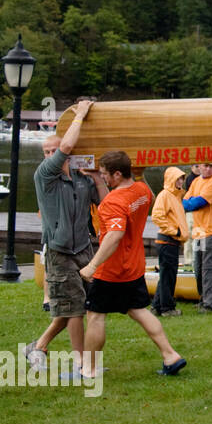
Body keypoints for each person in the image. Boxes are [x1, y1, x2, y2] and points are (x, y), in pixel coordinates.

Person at [79, 151, 185, 378]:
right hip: (134, 267)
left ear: (117, 174)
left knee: (95, 315)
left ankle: (88, 370)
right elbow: (132, 195)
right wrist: (100, 179)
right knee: (139, 311)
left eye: (105, 174)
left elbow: (115, 234)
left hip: (111, 271)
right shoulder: (141, 190)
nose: (103, 177)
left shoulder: (112, 202)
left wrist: (92, 266)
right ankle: (170, 355)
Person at [22, 100, 107, 372]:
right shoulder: (44, 175)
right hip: (59, 250)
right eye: (46, 151)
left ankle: (38, 345)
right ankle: (81, 361)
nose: (50, 155)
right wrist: (80, 114)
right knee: (73, 309)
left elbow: (105, 205)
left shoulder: (80, 180)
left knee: (82, 304)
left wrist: (96, 178)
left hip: (84, 249)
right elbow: (67, 146)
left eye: (53, 150)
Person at [183, 162, 212, 312]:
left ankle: (210, 304)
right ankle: (203, 299)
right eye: (205, 166)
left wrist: (190, 202)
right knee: (198, 267)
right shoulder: (196, 181)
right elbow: (184, 202)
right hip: (199, 231)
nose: (208, 169)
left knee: (211, 268)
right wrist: (190, 202)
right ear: (199, 167)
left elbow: (196, 203)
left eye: (211, 166)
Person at [149, 166, 188, 317]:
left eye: (182, 178)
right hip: (167, 240)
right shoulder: (165, 195)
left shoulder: (176, 196)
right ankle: (167, 308)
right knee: (168, 276)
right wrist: (175, 231)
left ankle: (157, 306)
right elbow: (157, 216)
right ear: (171, 179)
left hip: (172, 241)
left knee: (166, 275)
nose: (180, 181)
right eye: (177, 178)